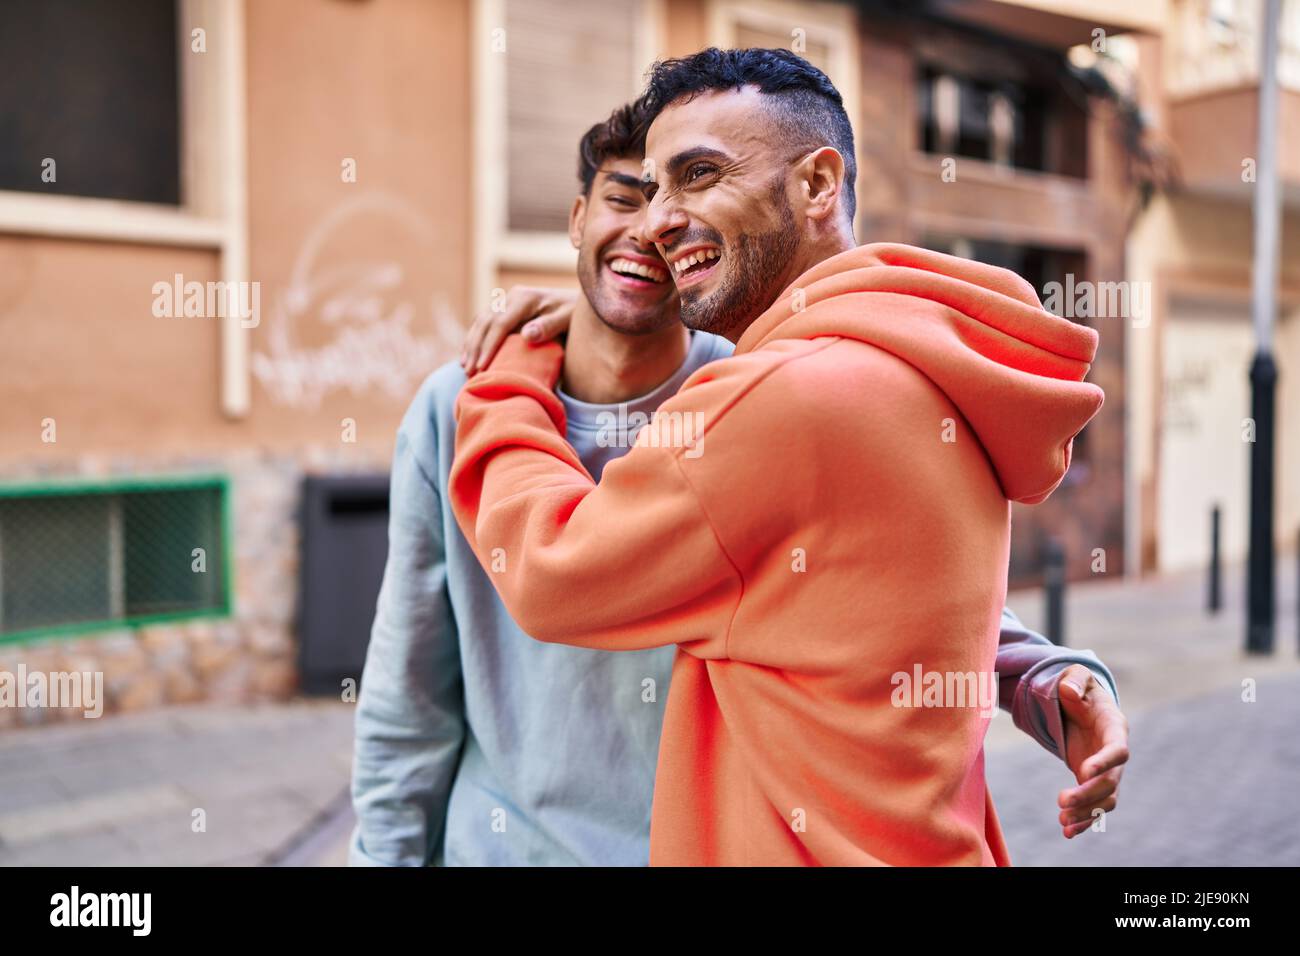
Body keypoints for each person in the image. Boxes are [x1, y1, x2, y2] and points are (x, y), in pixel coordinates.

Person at [448, 49, 1127, 866]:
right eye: (654, 186)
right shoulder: (924, 364)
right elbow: (879, 600)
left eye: (699, 174)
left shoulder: (775, 399)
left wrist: (513, 373)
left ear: (815, 185)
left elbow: (548, 570)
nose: (661, 219)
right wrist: (1045, 677)